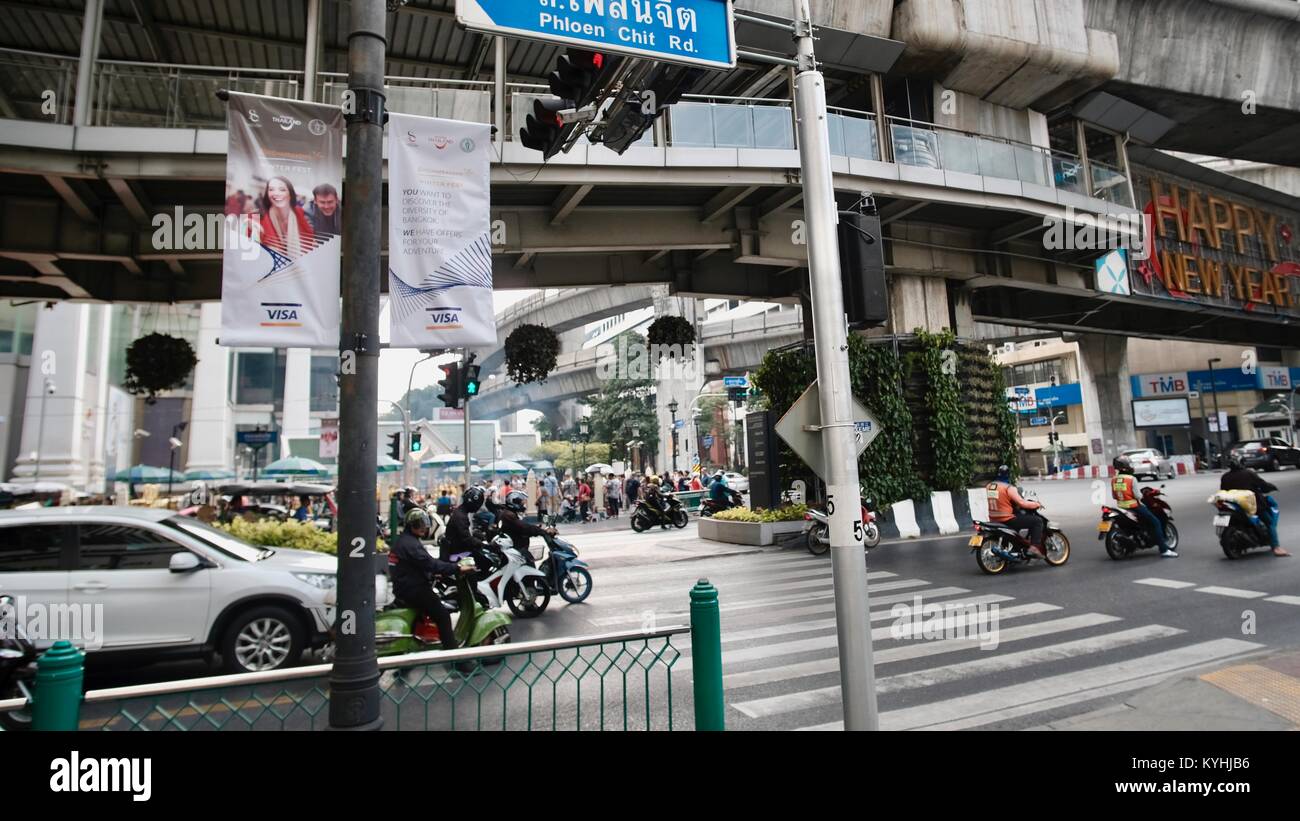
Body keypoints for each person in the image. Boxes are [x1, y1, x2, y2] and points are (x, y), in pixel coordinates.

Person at [387, 508, 472, 654]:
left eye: (424, 524)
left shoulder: (405, 541)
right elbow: (430, 563)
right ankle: (454, 658)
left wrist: (434, 573)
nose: (423, 527)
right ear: (411, 525)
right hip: (414, 590)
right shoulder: (411, 545)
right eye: (419, 524)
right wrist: (457, 568)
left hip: (405, 586)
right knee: (443, 615)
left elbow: (419, 565)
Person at [1221, 458, 1290, 557]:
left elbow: (1223, 490)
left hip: (1233, 504)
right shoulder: (1248, 473)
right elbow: (1262, 484)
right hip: (1252, 504)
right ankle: (1276, 547)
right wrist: (1271, 487)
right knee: (1269, 522)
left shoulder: (1225, 477)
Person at [1112, 456, 1176, 558]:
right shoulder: (1131, 479)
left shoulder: (1114, 479)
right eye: (1128, 464)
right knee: (1156, 522)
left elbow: (1114, 495)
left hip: (1121, 507)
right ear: (1125, 466)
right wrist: (1141, 496)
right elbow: (1138, 496)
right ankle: (1164, 550)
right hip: (1134, 507)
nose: (1130, 466)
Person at [985, 464, 1046, 559]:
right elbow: (1022, 503)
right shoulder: (1008, 488)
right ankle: (1034, 548)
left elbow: (1000, 499)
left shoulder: (989, 486)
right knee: (1037, 521)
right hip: (1007, 519)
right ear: (1008, 475)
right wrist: (1036, 504)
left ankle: (1014, 549)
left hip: (993, 519)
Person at [256, 176, 315, 259]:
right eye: (271, 189)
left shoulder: (300, 214)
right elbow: (250, 255)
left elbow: (310, 243)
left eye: (282, 189)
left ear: (290, 194)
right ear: (267, 194)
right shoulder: (255, 219)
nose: (276, 193)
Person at [496, 490, 555, 566]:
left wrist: (537, 529)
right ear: (514, 502)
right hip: (516, 551)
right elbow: (524, 528)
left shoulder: (508, 513)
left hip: (515, 550)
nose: (523, 505)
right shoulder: (508, 515)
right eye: (521, 502)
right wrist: (542, 531)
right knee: (530, 569)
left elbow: (521, 527)